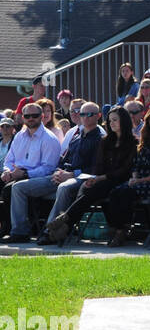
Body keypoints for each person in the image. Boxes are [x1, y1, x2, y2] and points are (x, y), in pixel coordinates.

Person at [45, 106, 138, 245]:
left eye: (115, 120)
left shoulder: (133, 142)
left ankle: (66, 220)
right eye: (110, 120)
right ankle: (67, 223)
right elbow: (99, 165)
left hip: (122, 179)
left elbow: (125, 169)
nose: (111, 123)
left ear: (124, 121)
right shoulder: (106, 141)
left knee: (104, 189)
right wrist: (93, 178)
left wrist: (101, 178)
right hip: (103, 178)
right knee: (87, 187)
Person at [17, 102, 103, 244]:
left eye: (90, 114)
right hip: (61, 176)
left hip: (81, 179)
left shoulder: (100, 139)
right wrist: (59, 172)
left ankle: (50, 232)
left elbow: (96, 168)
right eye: (82, 114)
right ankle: (19, 231)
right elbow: (63, 161)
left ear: (98, 116)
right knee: (18, 187)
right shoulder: (76, 138)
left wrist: (71, 174)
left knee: (64, 188)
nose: (85, 117)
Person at [103, 104, 150, 247]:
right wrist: (134, 177)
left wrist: (139, 181)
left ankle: (120, 232)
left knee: (126, 193)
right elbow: (136, 165)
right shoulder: (145, 142)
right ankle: (116, 228)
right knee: (114, 193)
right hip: (139, 181)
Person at [0, 101, 64, 241]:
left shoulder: (49, 138)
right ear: (22, 117)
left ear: (42, 116)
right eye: (27, 115)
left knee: (13, 188)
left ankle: (20, 232)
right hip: (17, 174)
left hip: (43, 179)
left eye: (34, 115)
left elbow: (49, 169)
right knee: (4, 184)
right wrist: (7, 171)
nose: (30, 118)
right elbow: (9, 160)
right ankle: (5, 227)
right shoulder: (19, 136)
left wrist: (24, 174)